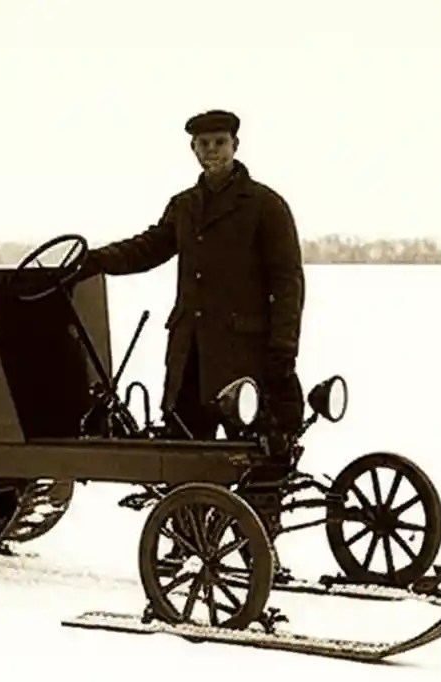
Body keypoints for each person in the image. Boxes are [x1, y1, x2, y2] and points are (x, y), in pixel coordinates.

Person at [76, 109, 306, 441]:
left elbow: (287, 283)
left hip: (243, 357)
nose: (212, 150)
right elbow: (149, 248)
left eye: (220, 142)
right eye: (204, 143)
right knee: (184, 452)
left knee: (256, 458)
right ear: (193, 149)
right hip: (191, 357)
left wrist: (283, 348)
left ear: (235, 145)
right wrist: (94, 261)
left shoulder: (265, 206)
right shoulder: (185, 206)